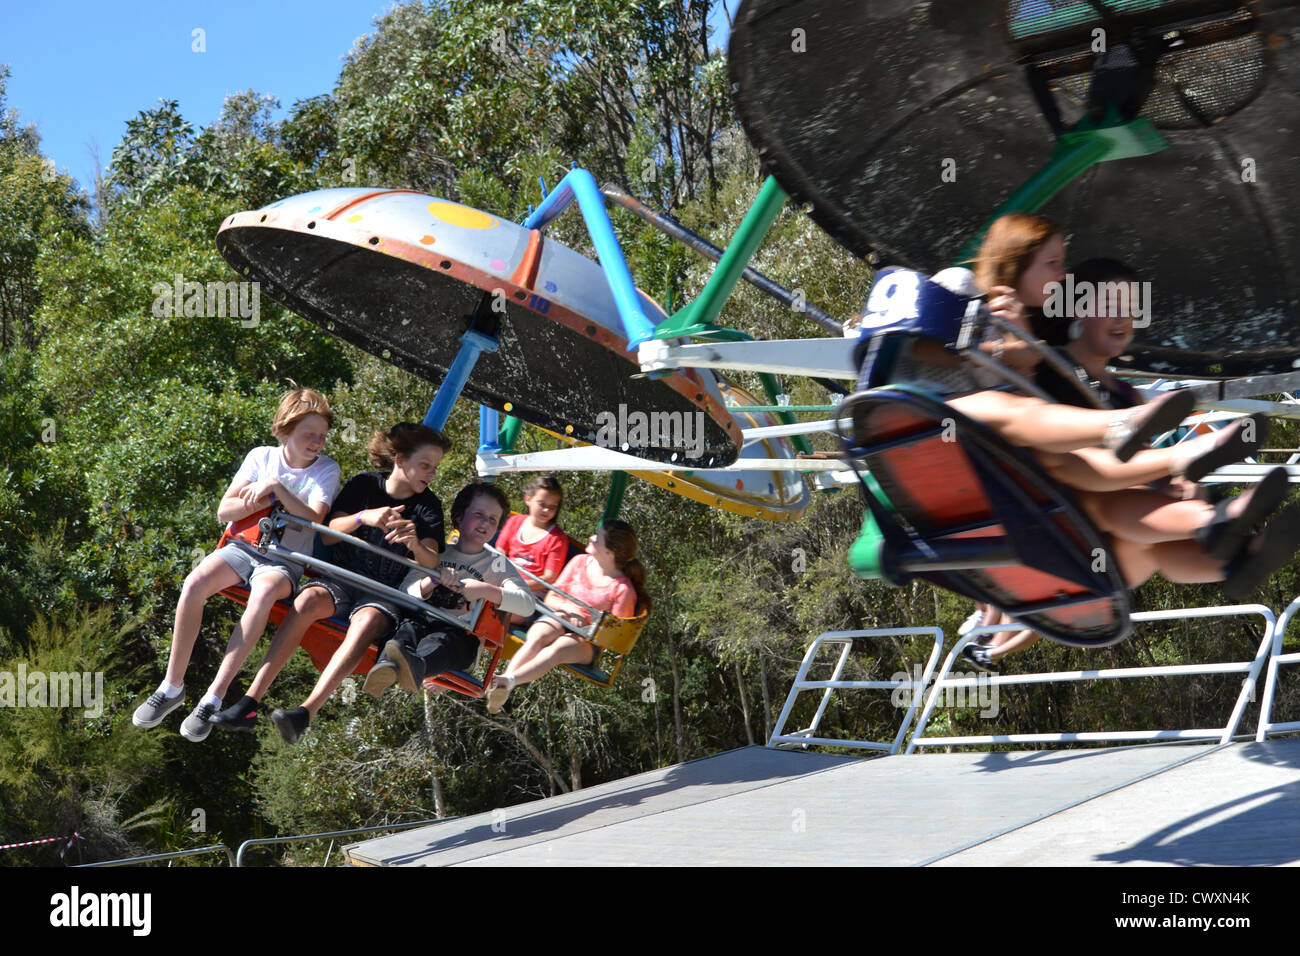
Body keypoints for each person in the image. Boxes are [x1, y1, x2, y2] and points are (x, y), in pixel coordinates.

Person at [209, 422, 449, 739]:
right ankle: (250, 701)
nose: (431, 474)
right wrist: (365, 517)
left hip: (382, 593)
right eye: (425, 465)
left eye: (434, 468)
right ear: (400, 460)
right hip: (340, 579)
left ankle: (305, 712)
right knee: (307, 601)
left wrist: (415, 543)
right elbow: (332, 535)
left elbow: (432, 560)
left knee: (366, 622)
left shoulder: (428, 507)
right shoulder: (364, 485)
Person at [131, 387, 340, 740]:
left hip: (283, 562)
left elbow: (314, 520)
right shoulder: (261, 457)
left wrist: (275, 489)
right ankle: (171, 686)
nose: (317, 442)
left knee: (262, 596)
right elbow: (224, 511)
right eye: (309, 435)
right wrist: (264, 497)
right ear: (285, 431)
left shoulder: (326, 470)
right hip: (244, 547)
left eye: (322, 436)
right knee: (195, 584)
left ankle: (214, 696)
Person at [362, 482, 535, 700]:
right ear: (460, 516)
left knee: (441, 641)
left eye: (492, 519)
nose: (485, 523)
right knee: (407, 629)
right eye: (479, 514)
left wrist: (485, 589)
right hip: (425, 621)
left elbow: (527, 604)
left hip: (462, 636)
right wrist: (431, 581)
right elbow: (405, 590)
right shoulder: (438, 555)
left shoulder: (496, 564)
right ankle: (386, 667)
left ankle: (416, 666)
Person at [484, 520, 649, 714]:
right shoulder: (579, 562)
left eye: (598, 537)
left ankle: (508, 679)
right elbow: (553, 597)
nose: (591, 538)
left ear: (609, 552)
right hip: (561, 617)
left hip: (586, 641)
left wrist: (587, 623)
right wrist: (571, 612)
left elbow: (614, 639)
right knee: (539, 635)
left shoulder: (621, 590)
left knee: (559, 648)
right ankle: (505, 682)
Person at [496, 476, 569, 617]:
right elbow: (499, 552)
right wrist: (498, 577)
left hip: (531, 594)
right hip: (504, 582)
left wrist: (519, 586)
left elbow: (549, 578)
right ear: (528, 499)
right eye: (542, 504)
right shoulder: (514, 522)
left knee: (497, 607)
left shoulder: (557, 539)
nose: (546, 510)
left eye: (552, 507)